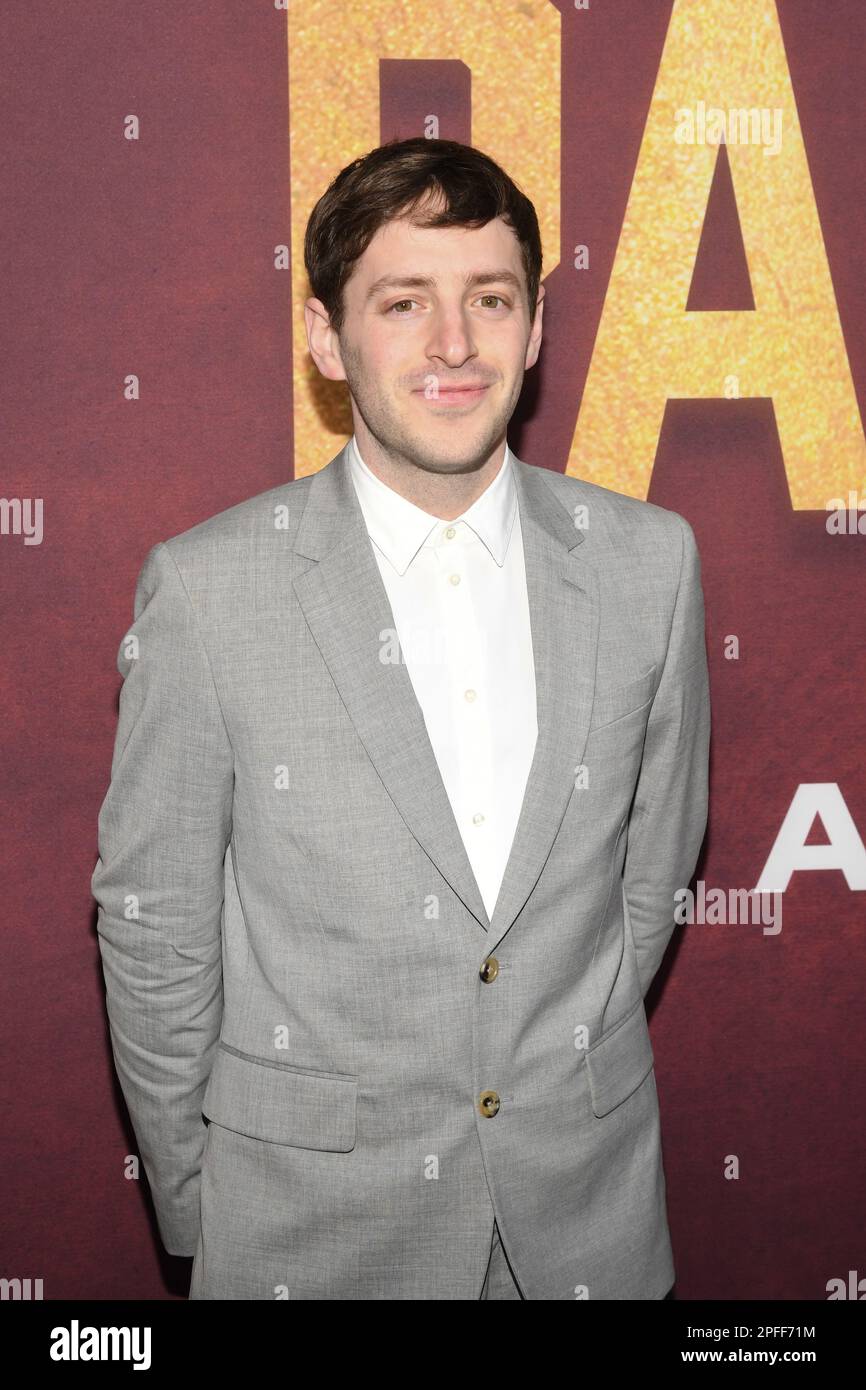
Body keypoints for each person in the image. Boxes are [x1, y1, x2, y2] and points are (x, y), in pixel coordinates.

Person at [92, 136, 710, 1300]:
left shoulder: (649, 565)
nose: (452, 345)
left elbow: (648, 878)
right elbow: (154, 928)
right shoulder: (210, 589)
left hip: (582, 1229)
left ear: (533, 329)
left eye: (489, 298)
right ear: (327, 338)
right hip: (308, 1240)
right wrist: (202, 1207)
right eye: (401, 302)